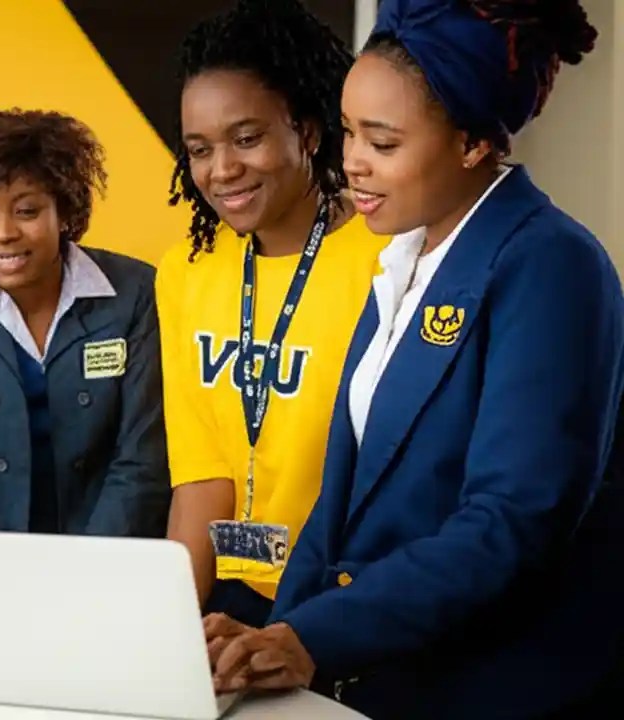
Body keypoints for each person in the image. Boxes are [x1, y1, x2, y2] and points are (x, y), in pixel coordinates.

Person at [205, 1, 623, 717]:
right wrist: (279, 632)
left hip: (491, 683)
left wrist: (313, 637)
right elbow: (340, 497)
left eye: (383, 143)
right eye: (346, 133)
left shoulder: (551, 263)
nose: (351, 162)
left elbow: (509, 521)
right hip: (380, 670)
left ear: (470, 143)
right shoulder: (403, 257)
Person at [158, 0, 387, 629]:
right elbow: (201, 475)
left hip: (349, 594)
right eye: (199, 149)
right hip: (231, 593)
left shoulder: (387, 258)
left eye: (247, 138)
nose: (222, 170)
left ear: (308, 133)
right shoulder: (187, 271)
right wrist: (169, 626)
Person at [0, 108, 169, 537]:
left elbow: (143, 463)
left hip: (120, 553)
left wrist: (88, 573)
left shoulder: (135, 293)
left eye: (27, 211)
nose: (4, 232)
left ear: (63, 212)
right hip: (1, 558)